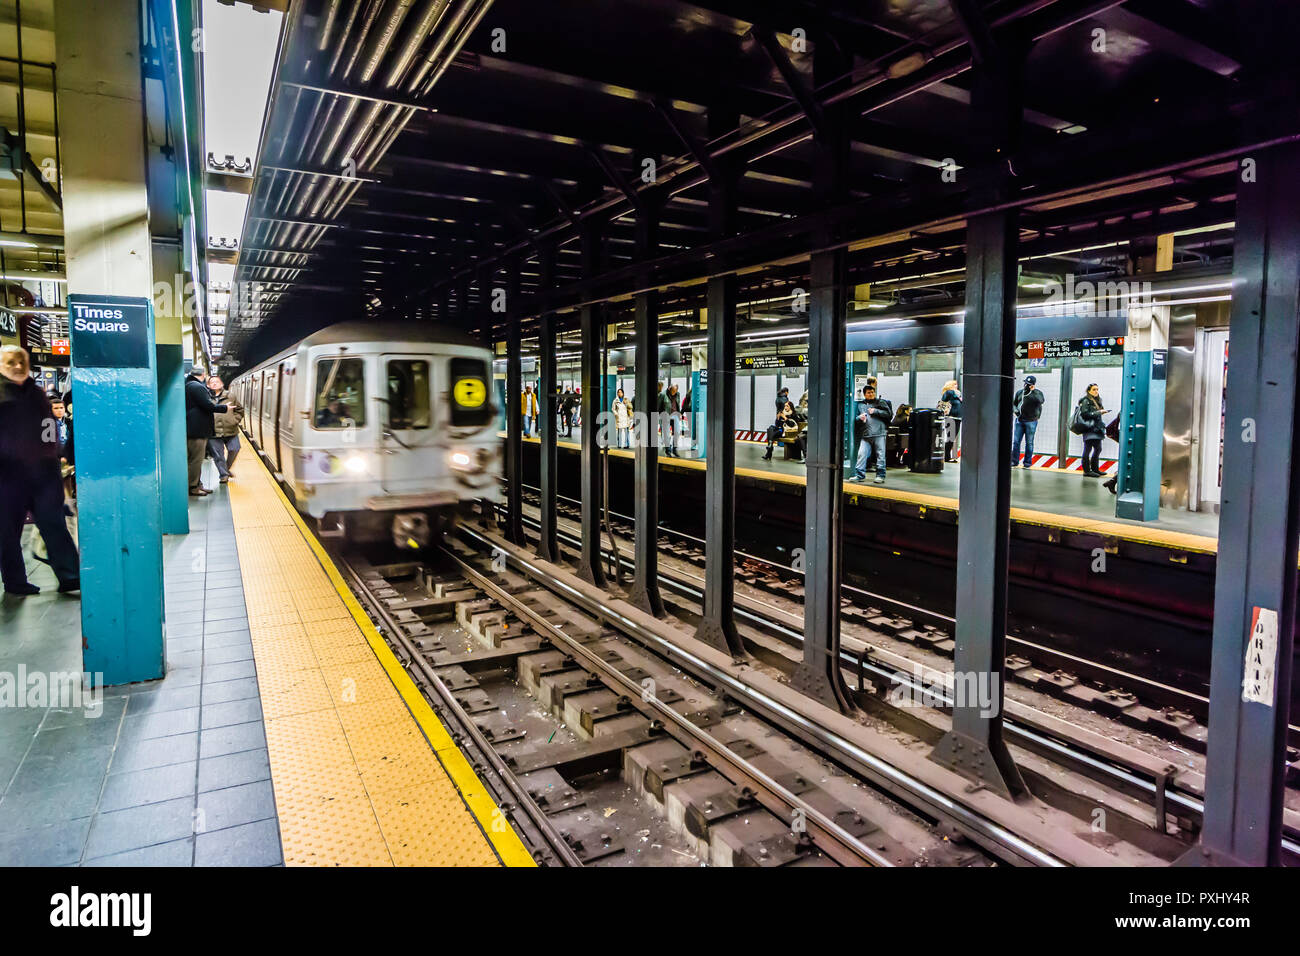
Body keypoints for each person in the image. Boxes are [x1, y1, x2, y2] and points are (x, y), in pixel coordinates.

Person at [0, 345, 80, 595]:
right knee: (7, 531)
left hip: (43, 474)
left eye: (21, 360)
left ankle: (70, 576)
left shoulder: (36, 394)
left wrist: (53, 455)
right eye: (10, 361)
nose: (17, 366)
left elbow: (48, 427)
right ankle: (15, 582)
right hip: (7, 476)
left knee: (54, 524)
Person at [185, 366, 228, 496]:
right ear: (203, 374)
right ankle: (193, 487)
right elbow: (208, 405)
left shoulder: (190, 385)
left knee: (195, 460)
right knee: (196, 460)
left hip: (195, 429)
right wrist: (224, 407)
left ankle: (198, 484)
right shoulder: (196, 387)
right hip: (197, 430)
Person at [852, 384, 892, 484]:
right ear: (865, 394)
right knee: (861, 454)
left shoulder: (880, 402)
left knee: (880, 455)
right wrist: (859, 418)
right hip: (866, 434)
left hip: (879, 433)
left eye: (872, 392)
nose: (871, 394)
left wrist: (876, 411)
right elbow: (856, 418)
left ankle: (880, 475)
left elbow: (889, 414)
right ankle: (859, 475)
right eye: (869, 393)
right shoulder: (861, 405)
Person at [207, 375, 243, 484]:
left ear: (222, 384)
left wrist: (234, 420)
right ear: (208, 385)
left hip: (231, 430)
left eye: (217, 382)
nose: (214, 384)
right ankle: (224, 475)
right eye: (212, 382)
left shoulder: (230, 396)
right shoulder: (205, 397)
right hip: (213, 432)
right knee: (218, 455)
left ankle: (226, 469)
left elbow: (240, 410)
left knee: (235, 448)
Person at [1011, 374, 1045, 467]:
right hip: (1019, 421)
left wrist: (1033, 391)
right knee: (1016, 442)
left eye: (1028, 384)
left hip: (1031, 421)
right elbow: (1014, 404)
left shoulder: (1037, 393)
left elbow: (1041, 400)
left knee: (1029, 443)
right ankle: (1014, 461)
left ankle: (1027, 463)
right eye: (1025, 383)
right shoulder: (1019, 393)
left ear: (1032, 385)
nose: (1026, 385)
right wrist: (1016, 411)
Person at [1075, 383, 1109, 477]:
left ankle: (1095, 469)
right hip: (1089, 428)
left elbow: (1095, 412)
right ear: (1089, 391)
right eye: (1094, 389)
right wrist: (1098, 412)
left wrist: (1101, 412)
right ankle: (1086, 471)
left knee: (1098, 448)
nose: (1096, 391)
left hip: (1097, 428)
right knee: (1088, 449)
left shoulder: (1097, 400)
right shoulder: (1085, 401)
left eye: (1097, 389)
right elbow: (1085, 414)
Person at [939, 379, 963, 463]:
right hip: (951, 417)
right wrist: (952, 392)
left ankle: (947, 456)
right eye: (955, 384)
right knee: (950, 437)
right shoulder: (950, 393)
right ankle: (946, 457)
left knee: (952, 437)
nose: (957, 386)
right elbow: (943, 400)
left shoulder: (958, 395)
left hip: (958, 418)